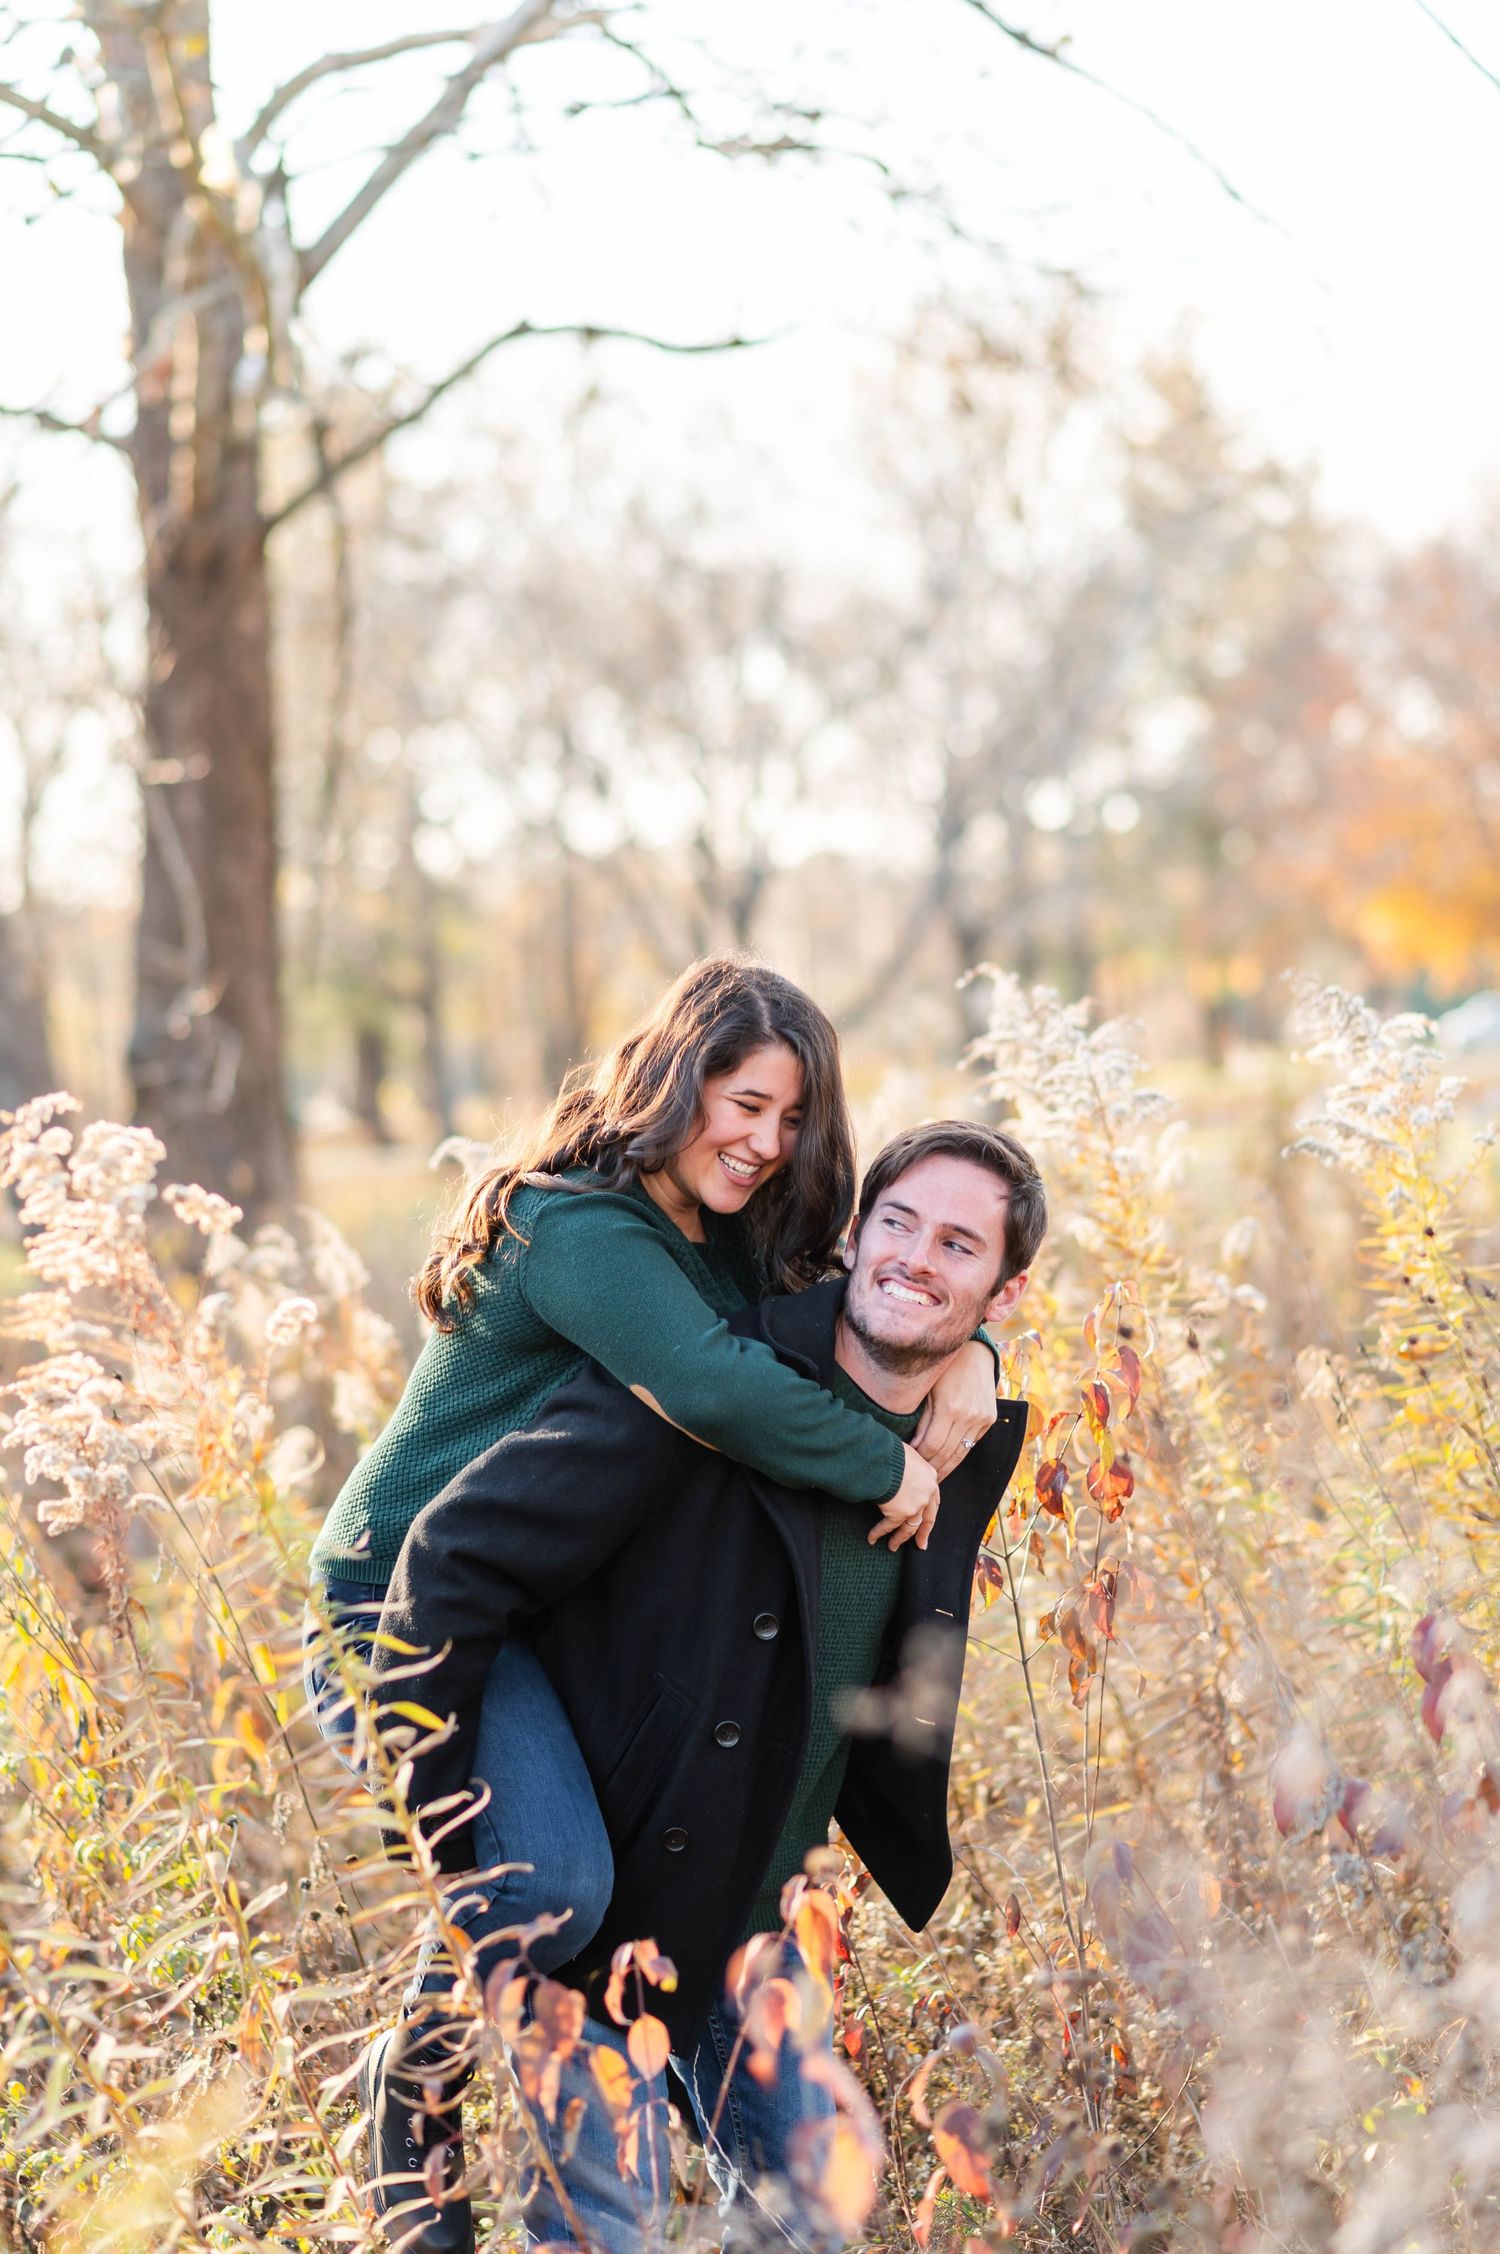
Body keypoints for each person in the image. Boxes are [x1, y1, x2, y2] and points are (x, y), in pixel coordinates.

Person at [301, 961, 1001, 2226]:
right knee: (553, 1876)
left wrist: (980, 1352)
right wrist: (889, 1461)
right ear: (673, 1075)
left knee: (583, 1872)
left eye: (790, 1119)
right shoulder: (579, 1228)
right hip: (404, 1598)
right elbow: (713, 1384)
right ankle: (417, 2079)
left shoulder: (725, 1232)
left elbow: (874, 1288)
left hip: (540, 1612)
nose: (764, 1142)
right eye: (741, 1102)